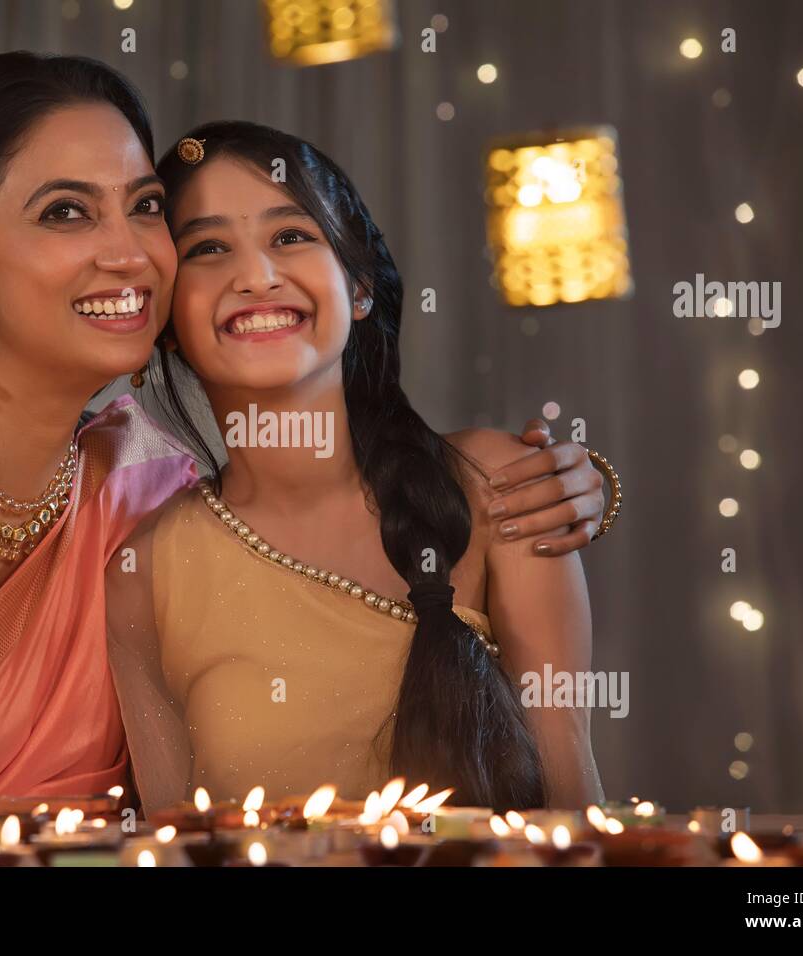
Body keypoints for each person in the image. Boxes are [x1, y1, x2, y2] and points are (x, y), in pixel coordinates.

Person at [0, 55, 611, 824]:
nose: (127, 250)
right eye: (66, 211)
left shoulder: (140, 470)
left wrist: (568, 485)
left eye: (144, 207)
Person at [107, 122, 610, 814]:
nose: (256, 276)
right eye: (209, 248)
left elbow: (573, 804)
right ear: (167, 316)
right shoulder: (144, 572)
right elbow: (169, 845)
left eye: (291, 236)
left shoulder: (499, 484)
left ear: (360, 285)